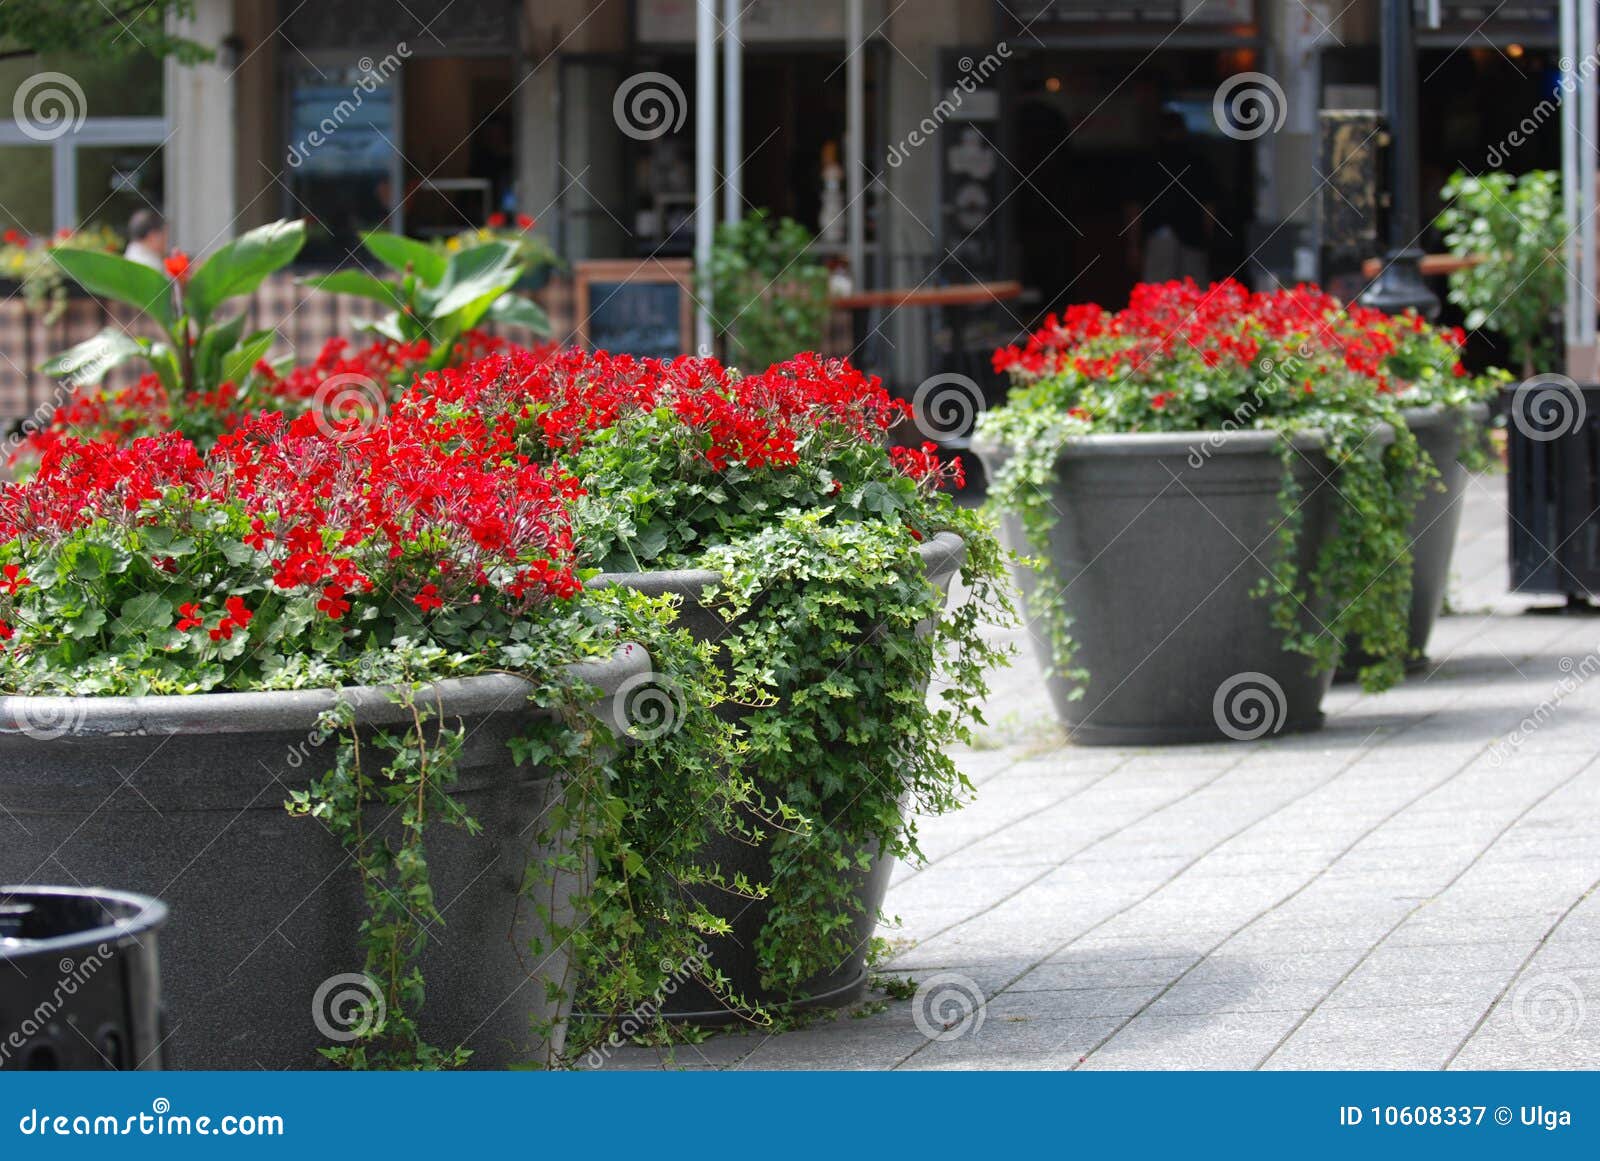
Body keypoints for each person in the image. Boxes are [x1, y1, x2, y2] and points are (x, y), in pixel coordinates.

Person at [1125, 110, 1217, 284]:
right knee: (1193, 291)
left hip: (1170, 236)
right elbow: (1209, 207)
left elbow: (1134, 208)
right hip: (1189, 235)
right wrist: (1208, 239)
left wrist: (1133, 245)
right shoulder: (1197, 161)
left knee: (1159, 292)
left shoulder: (1148, 161)